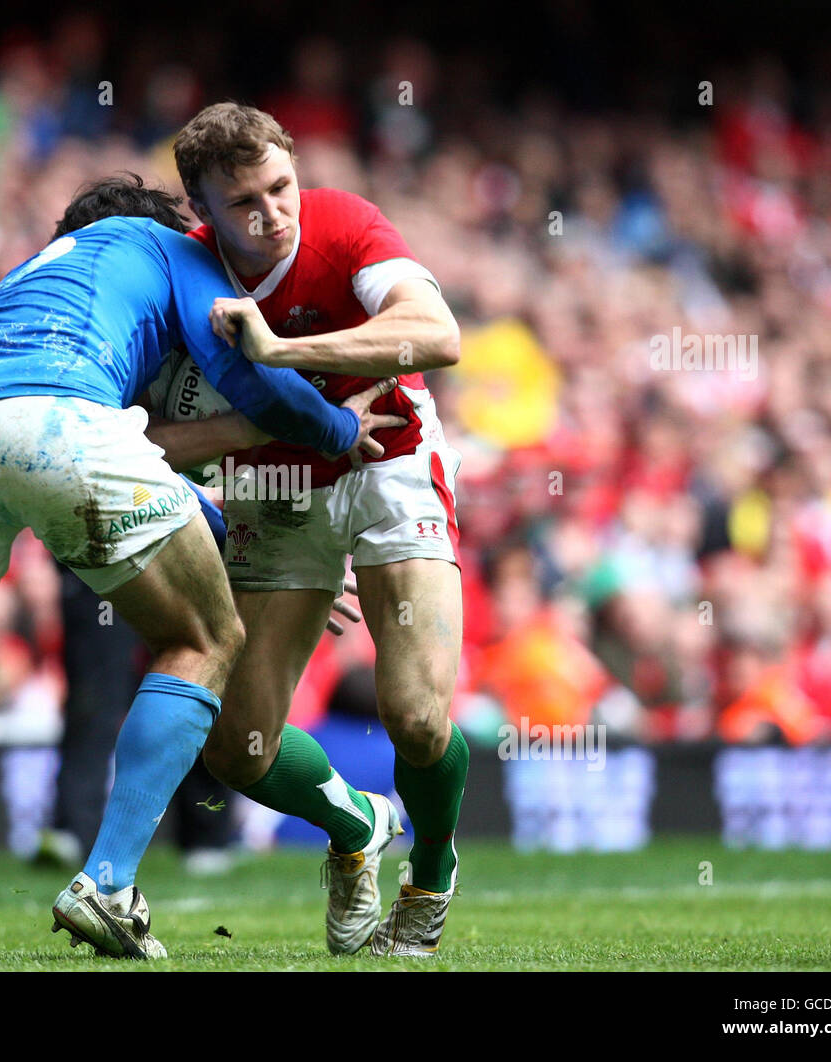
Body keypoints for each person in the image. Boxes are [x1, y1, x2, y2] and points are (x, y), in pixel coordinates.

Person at [0, 173, 403, 963]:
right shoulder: (165, 247)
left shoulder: (35, 272)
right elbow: (253, 383)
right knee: (207, 638)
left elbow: (138, 458)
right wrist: (335, 429)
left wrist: (219, 529)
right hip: (65, 423)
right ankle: (109, 884)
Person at [153, 103, 468, 956]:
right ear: (203, 213)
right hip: (275, 487)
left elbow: (438, 336)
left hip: (388, 464)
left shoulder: (344, 225)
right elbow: (149, 441)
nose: (272, 213)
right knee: (236, 747)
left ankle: (431, 873)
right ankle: (359, 824)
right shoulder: (181, 274)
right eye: (245, 202)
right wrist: (262, 432)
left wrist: (281, 354)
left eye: (280, 186)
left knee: (418, 719)